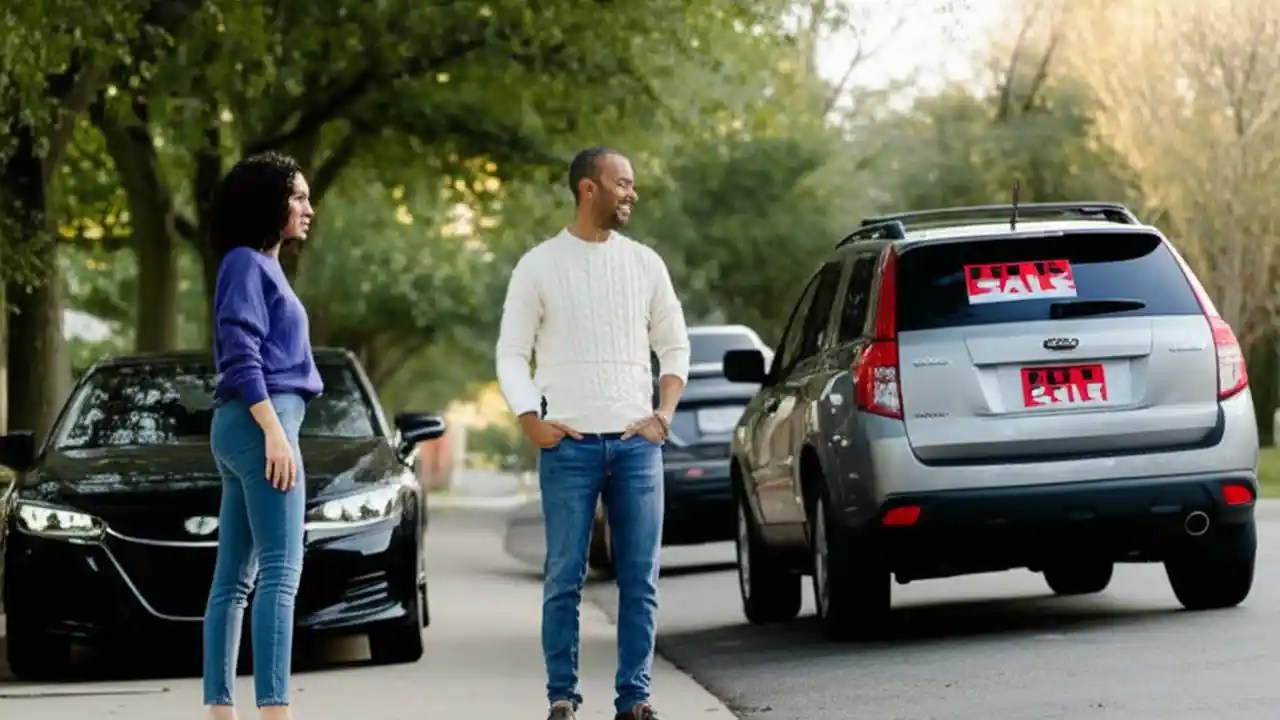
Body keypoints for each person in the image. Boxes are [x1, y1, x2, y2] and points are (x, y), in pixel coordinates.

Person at [495, 146, 691, 720]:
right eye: (623, 183)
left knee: (640, 578)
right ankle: (562, 697)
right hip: (570, 447)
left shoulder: (645, 264)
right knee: (564, 577)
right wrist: (529, 418)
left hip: (636, 446)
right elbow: (511, 353)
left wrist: (665, 412)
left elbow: (674, 345)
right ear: (589, 188)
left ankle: (635, 699)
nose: (633, 193)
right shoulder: (538, 265)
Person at [202, 150, 323, 720]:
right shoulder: (247, 264)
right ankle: (275, 711)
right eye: (297, 196)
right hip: (262, 421)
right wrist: (274, 431)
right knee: (281, 571)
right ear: (267, 204)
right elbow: (241, 352)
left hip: (248, 424)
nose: (308, 207)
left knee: (235, 579)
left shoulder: (259, 266)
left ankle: (221, 710)